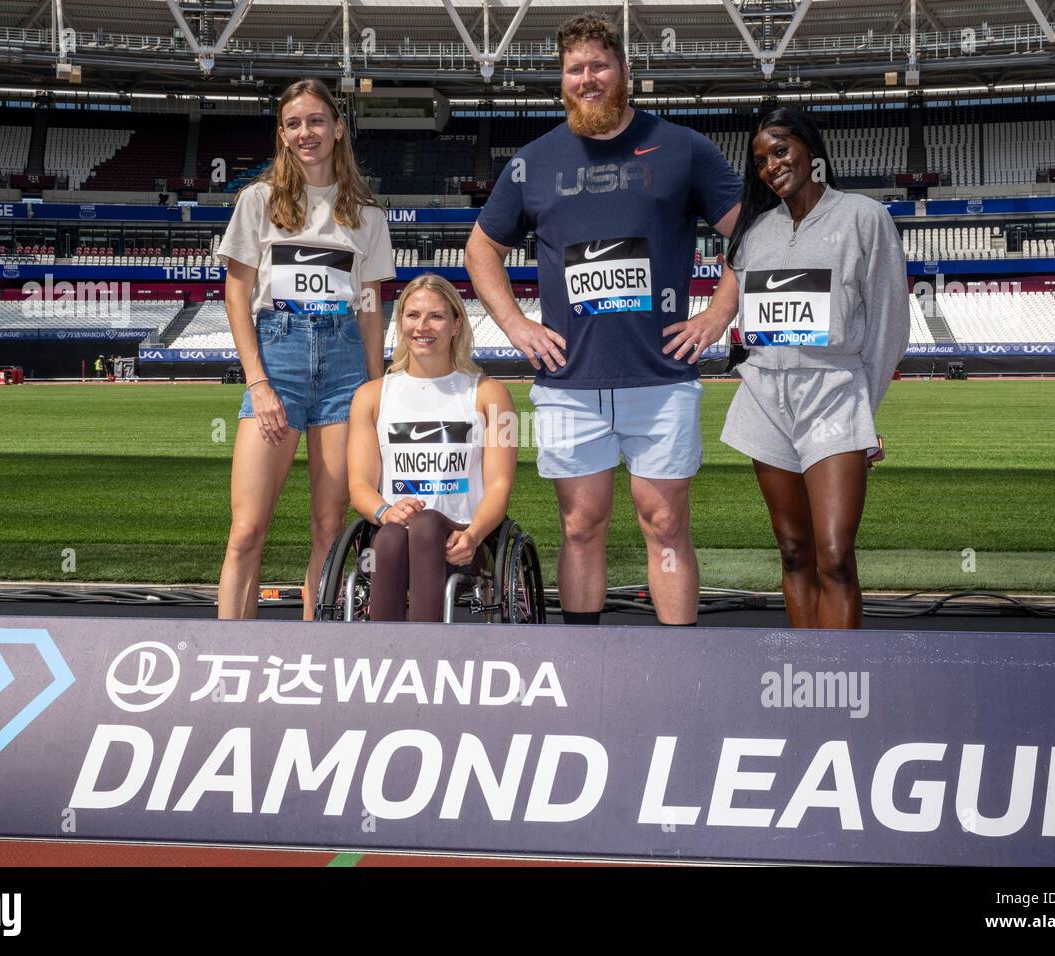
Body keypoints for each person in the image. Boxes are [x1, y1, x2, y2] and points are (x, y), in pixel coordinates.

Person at [465, 13, 742, 626]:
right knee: (581, 524)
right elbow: (481, 248)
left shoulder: (683, 149)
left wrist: (719, 314)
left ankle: (680, 662)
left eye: (598, 66)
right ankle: (584, 661)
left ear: (623, 72)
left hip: (661, 377)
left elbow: (753, 236)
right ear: (561, 80)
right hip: (570, 383)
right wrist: (515, 325)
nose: (586, 78)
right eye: (574, 70)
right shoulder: (532, 162)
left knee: (666, 523)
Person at [719, 106, 909, 629]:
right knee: (794, 551)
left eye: (781, 150)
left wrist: (863, 416)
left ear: (810, 147)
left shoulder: (863, 217)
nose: (772, 166)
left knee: (835, 556)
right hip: (764, 400)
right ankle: (807, 681)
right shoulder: (755, 234)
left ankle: (840, 682)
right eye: (760, 160)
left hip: (833, 396)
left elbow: (889, 326)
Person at [216, 78, 394, 620]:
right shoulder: (258, 201)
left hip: (344, 366)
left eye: (316, 121)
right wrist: (259, 383)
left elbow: (369, 308)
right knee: (247, 530)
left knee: (329, 528)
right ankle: (229, 659)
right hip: (279, 357)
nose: (305, 133)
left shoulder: (368, 214)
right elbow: (237, 295)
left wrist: (374, 389)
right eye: (293, 123)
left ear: (338, 129)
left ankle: (315, 653)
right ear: (282, 134)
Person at [347, 274, 518, 621]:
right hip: (393, 535)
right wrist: (384, 512)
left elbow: (500, 486)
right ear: (401, 322)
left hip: (464, 539)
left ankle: (423, 653)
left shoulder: (491, 395)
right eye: (412, 315)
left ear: (456, 324)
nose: (422, 326)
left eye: (436, 316)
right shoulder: (370, 396)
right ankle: (387, 656)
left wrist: (472, 535)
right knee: (395, 536)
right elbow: (359, 486)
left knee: (424, 525)